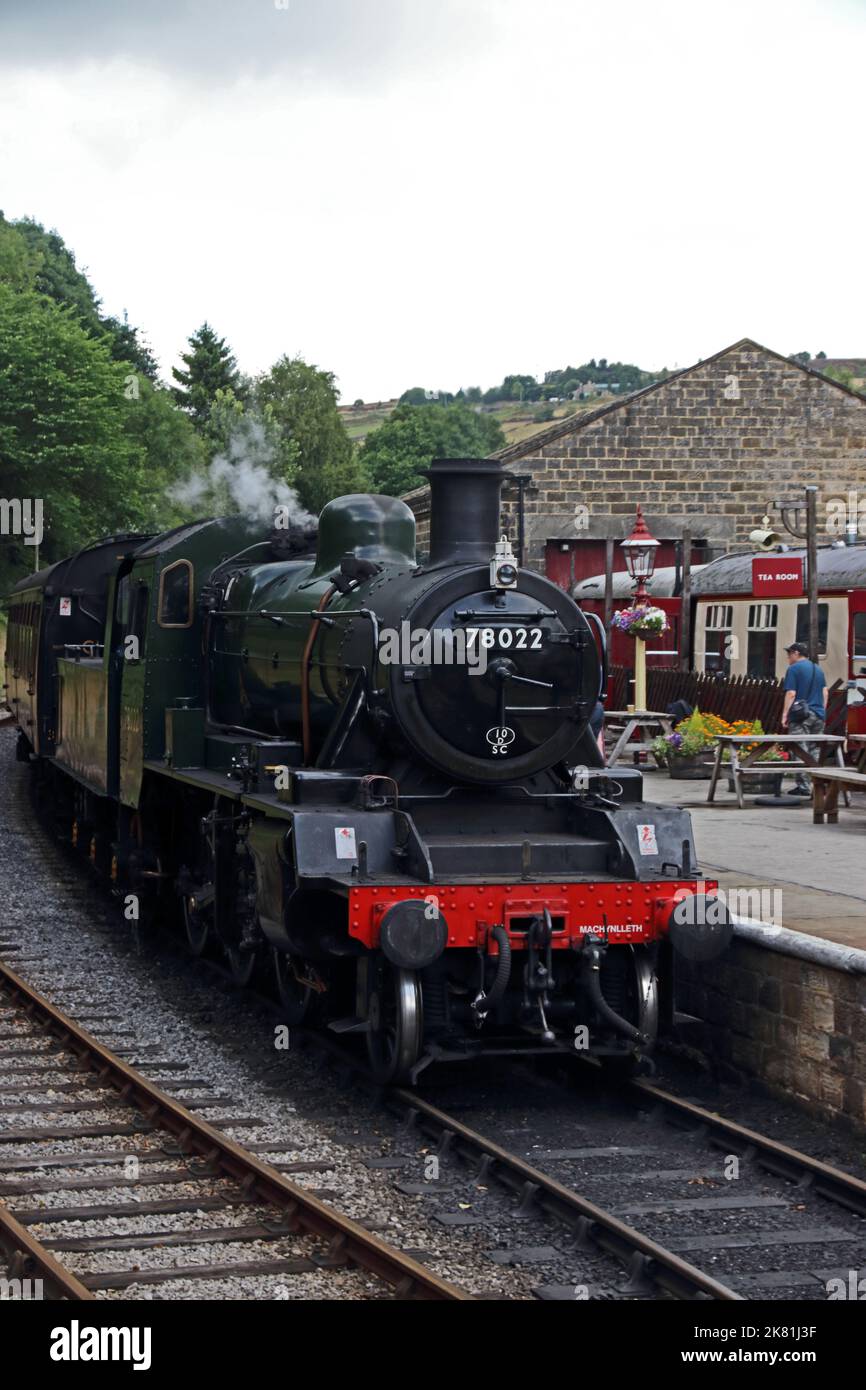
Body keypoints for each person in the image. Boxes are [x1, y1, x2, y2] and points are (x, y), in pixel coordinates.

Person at [781, 642, 828, 795]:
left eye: (789, 654)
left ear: (796, 653)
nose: (788, 657)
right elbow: (825, 692)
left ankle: (803, 787)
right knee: (814, 749)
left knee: (799, 749)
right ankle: (816, 784)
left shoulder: (793, 669)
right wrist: (821, 710)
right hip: (819, 715)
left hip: (801, 715)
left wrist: (785, 715)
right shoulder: (818, 669)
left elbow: (791, 694)